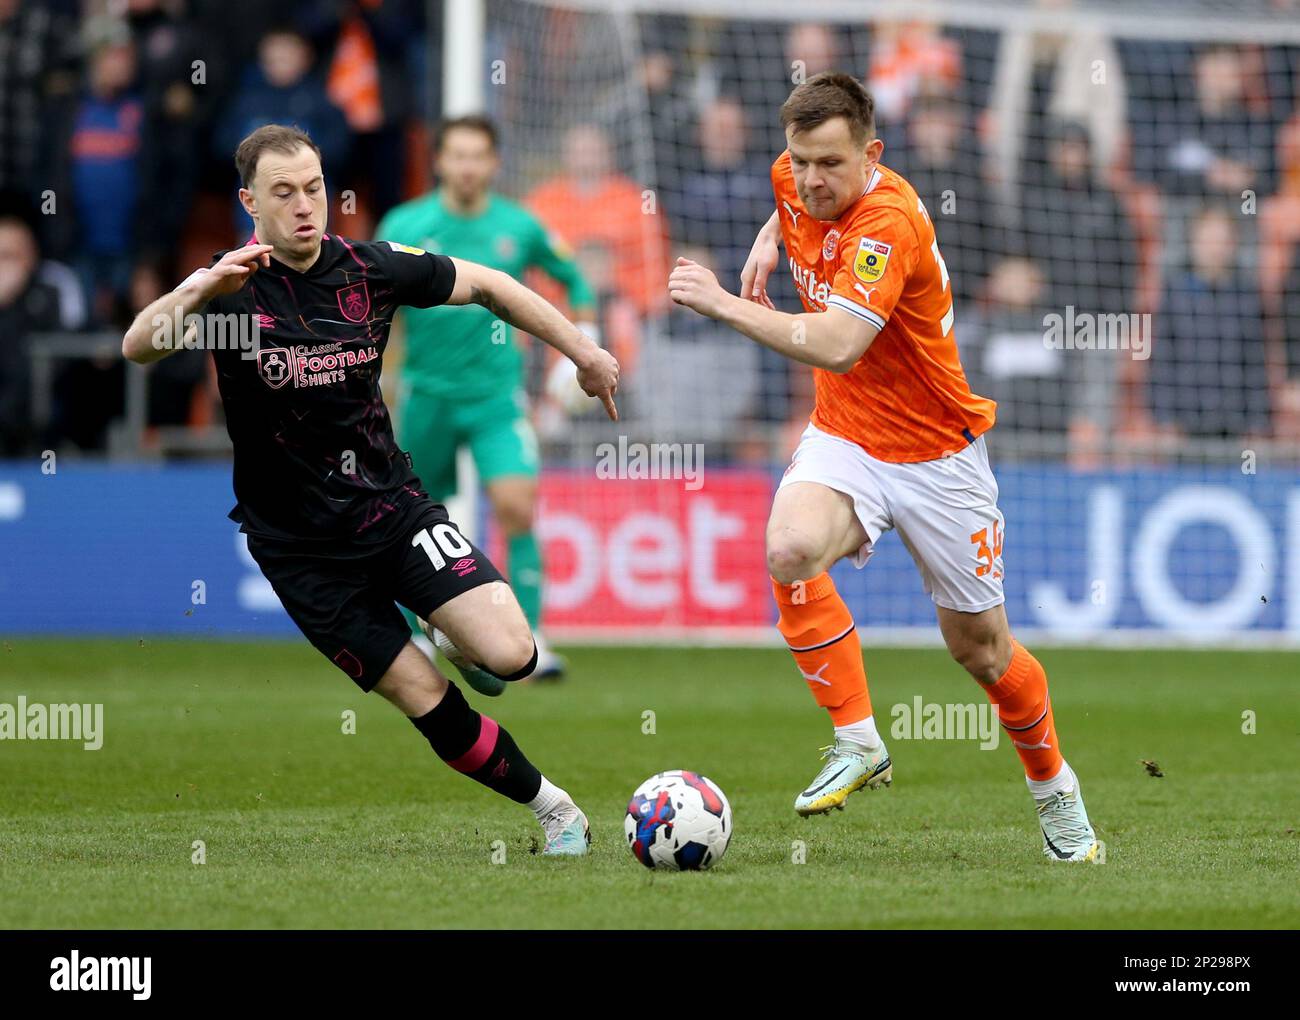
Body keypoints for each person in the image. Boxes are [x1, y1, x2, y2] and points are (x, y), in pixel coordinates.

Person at [122, 124, 619, 855]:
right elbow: (139, 345)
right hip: (300, 550)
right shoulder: (230, 294)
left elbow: (490, 285)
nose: (303, 205)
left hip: (391, 509)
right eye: (283, 192)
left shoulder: (370, 269)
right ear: (249, 201)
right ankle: (554, 810)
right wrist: (198, 285)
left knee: (514, 656)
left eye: (314, 188)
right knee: (423, 698)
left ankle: (451, 629)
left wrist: (583, 350)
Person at [668, 72, 1099, 862]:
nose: (810, 180)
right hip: (845, 434)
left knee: (983, 653)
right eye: (799, 161)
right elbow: (792, 198)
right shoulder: (795, 174)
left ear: (874, 155)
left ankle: (1055, 790)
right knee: (788, 550)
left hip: (938, 453)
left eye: (829, 164)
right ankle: (859, 739)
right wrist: (772, 230)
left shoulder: (888, 223)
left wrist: (724, 303)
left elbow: (836, 343)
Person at [375, 115, 598, 679]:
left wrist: (585, 338)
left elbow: (575, 281)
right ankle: (418, 638)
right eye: (458, 155)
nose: (468, 166)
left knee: (517, 507)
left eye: (479, 155)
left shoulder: (519, 227)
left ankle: (532, 637)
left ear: (494, 164)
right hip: (426, 398)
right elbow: (376, 303)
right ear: (441, 161)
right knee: (411, 522)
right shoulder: (406, 223)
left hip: (498, 399)